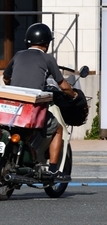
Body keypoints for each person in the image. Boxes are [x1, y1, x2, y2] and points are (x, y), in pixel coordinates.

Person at [2, 23, 76, 172]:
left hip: (11, 109)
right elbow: (63, 85)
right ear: (47, 43)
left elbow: (6, 78)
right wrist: (74, 95)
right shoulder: (47, 59)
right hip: (30, 110)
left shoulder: (18, 55)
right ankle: (54, 170)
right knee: (58, 129)